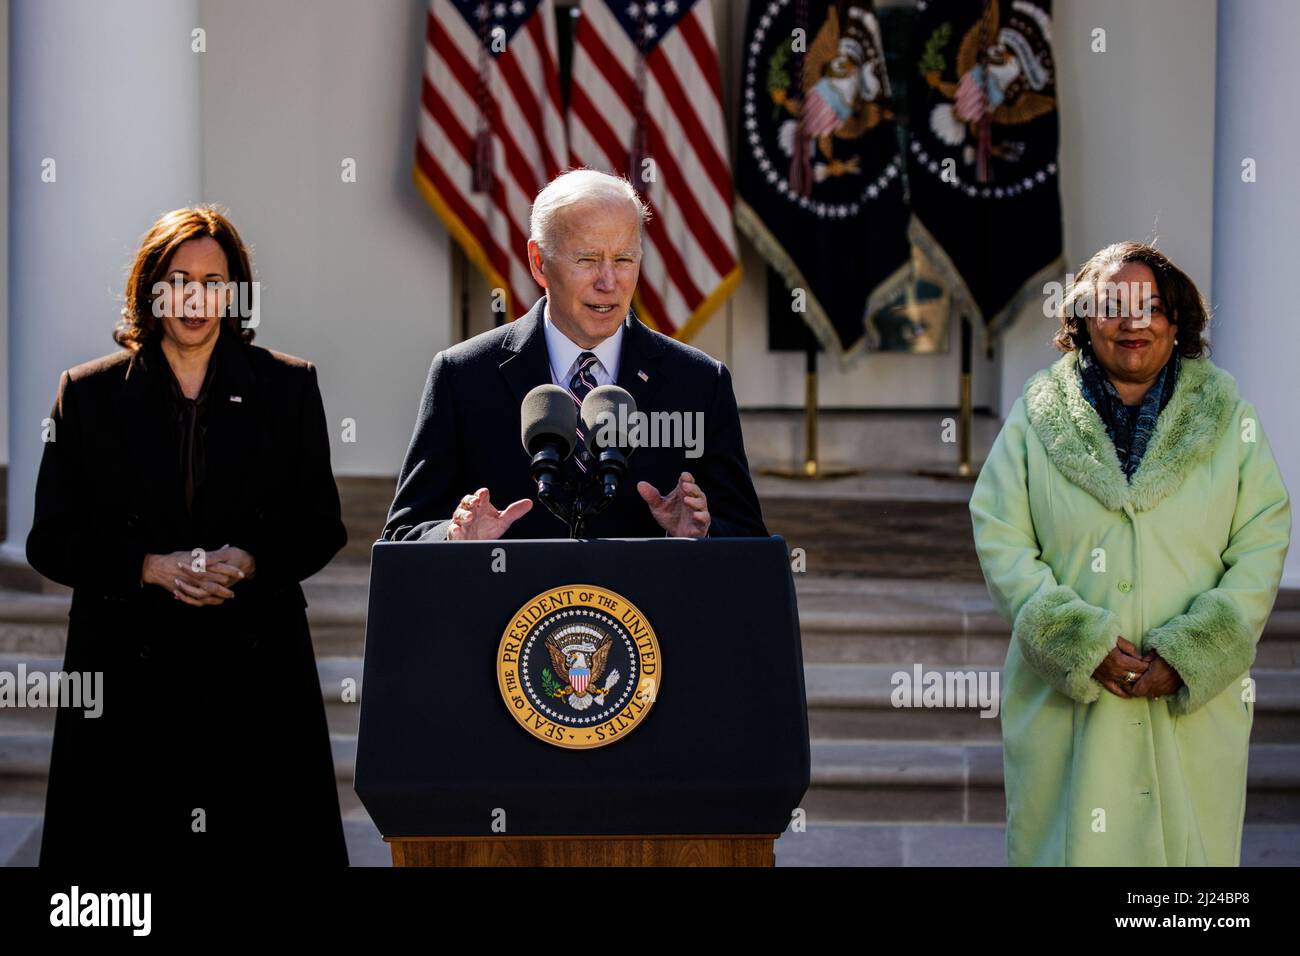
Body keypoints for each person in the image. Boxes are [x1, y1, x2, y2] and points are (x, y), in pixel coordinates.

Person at [27, 206, 349, 866]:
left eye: (213, 279)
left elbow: (322, 524)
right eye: (179, 278)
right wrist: (147, 566)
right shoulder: (86, 396)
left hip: (256, 680)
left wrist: (251, 560)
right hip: (126, 681)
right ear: (151, 288)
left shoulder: (289, 387)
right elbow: (50, 539)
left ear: (235, 293)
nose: (195, 296)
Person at [969, 241, 1291, 866]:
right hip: (1069, 709)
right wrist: (1073, 641)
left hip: (1189, 711)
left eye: (1150, 306)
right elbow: (1000, 533)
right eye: (1111, 305)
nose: (1132, 322)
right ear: (1084, 319)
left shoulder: (1228, 417)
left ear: (1177, 320)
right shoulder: (1037, 416)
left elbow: (1262, 539)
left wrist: (1196, 651)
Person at [381, 169, 767, 543]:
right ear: (538, 262)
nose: (608, 282)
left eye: (624, 259)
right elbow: (402, 536)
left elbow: (749, 541)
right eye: (586, 259)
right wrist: (455, 537)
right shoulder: (463, 376)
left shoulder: (699, 382)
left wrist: (698, 534)